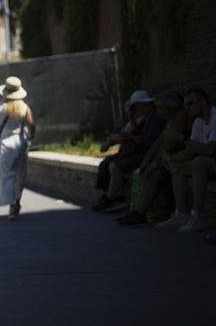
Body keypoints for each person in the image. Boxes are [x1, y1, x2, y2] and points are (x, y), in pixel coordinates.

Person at [116, 92, 189, 226]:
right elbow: (158, 142)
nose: (157, 111)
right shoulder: (170, 119)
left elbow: (167, 145)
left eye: (160, 108)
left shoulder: (180, 116)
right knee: (143, 171)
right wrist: (145, 163)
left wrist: (153, 164)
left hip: (179, 159)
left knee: (153, 175)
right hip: (170, 160)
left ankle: (140, 213)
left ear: (168, 108)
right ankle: (138, 212)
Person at [92, 90, 165, 213]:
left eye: (135, 107)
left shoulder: (155, 118)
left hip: (145, 154)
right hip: (135, 152)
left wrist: (131, 137)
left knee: (115, 166)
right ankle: (111, 196)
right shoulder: (141, 118)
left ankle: (111, 199)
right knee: (106, 163)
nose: (135, 110)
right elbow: (122, 134)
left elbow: (149, 141)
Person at [156, 88, 216, 233]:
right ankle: (182, 214)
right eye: (185, 105)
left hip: (210, 161)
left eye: (190, 104)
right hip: (210, 164)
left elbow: (211, 150)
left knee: (199, 162)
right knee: (178, 166)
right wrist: (171, 159)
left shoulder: (215, 117)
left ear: (201, 102)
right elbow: (190, 151)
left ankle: (198, 216)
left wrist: (180, 137)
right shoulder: (198, 123)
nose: (186, 108)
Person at [0, 76, 35, 219]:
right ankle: (16, 201)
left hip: (4, 144)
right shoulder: (25, 107)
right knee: (20, 173)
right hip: (20, 142)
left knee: (7, 175)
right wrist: (30, 136)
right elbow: (32, 125)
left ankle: (10, 204)